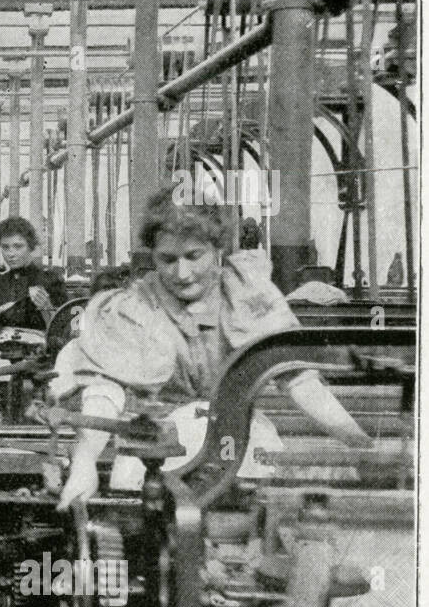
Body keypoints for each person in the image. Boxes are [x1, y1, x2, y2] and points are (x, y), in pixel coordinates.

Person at [56, 190, 372, 513]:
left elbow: (300, 382)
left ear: (217, 249)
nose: (182, 273)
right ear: (152, 256)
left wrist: (361, 444)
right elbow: (105, 391)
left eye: (194, 256)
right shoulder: (135, 307)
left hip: (244, 446)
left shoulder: (245, 293)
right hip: (156, 451)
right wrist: (84, 462)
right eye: (167, 259)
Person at [0, 217, 67, 333]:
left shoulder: (51, 281)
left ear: (30, 247)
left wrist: (46, 307)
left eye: (18, 247)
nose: (11, 254)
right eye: (5, 247)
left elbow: (65, 332)